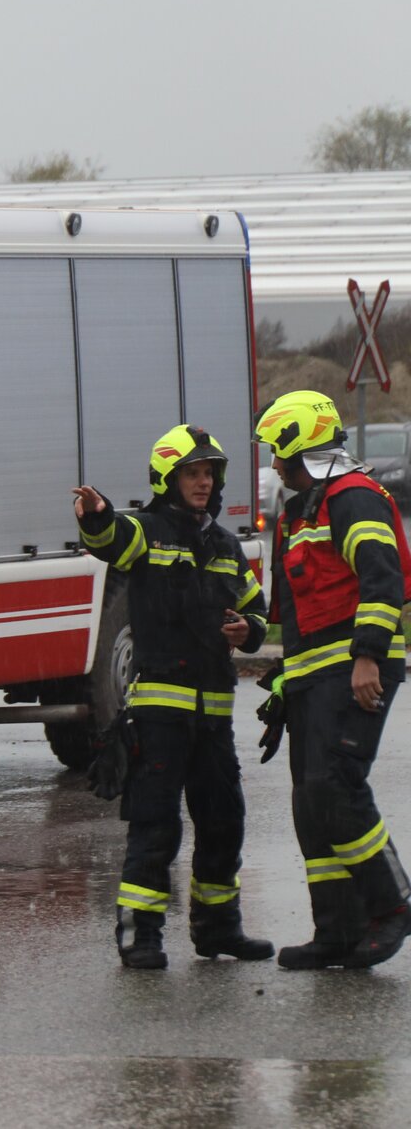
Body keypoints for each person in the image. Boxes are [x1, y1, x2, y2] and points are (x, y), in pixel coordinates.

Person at [73, 425, 272, 969]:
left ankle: (217, 929)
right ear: (168, 478)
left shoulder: (227, 545)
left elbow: (258, 610)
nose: (203, 482)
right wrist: (96, 516)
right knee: (156, 827)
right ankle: (141, 937)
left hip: (213, 720)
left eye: (208, 472)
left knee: (223, 822)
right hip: (160, 715)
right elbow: (109, 539)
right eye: (192, 473)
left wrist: (248, 631)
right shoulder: (147, 530)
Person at [254, 390, 411, 970]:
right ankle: (338, 930)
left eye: (277, 452)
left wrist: (368, 656)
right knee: (310, 803)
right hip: (314, 675)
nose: (273, 464)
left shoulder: (352, 500)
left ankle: (392, 903)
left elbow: (382, 578)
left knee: (334, 788)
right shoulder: (306, 507)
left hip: (354, 669)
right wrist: (284, 676)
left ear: (301, 446)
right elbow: (305, 609)